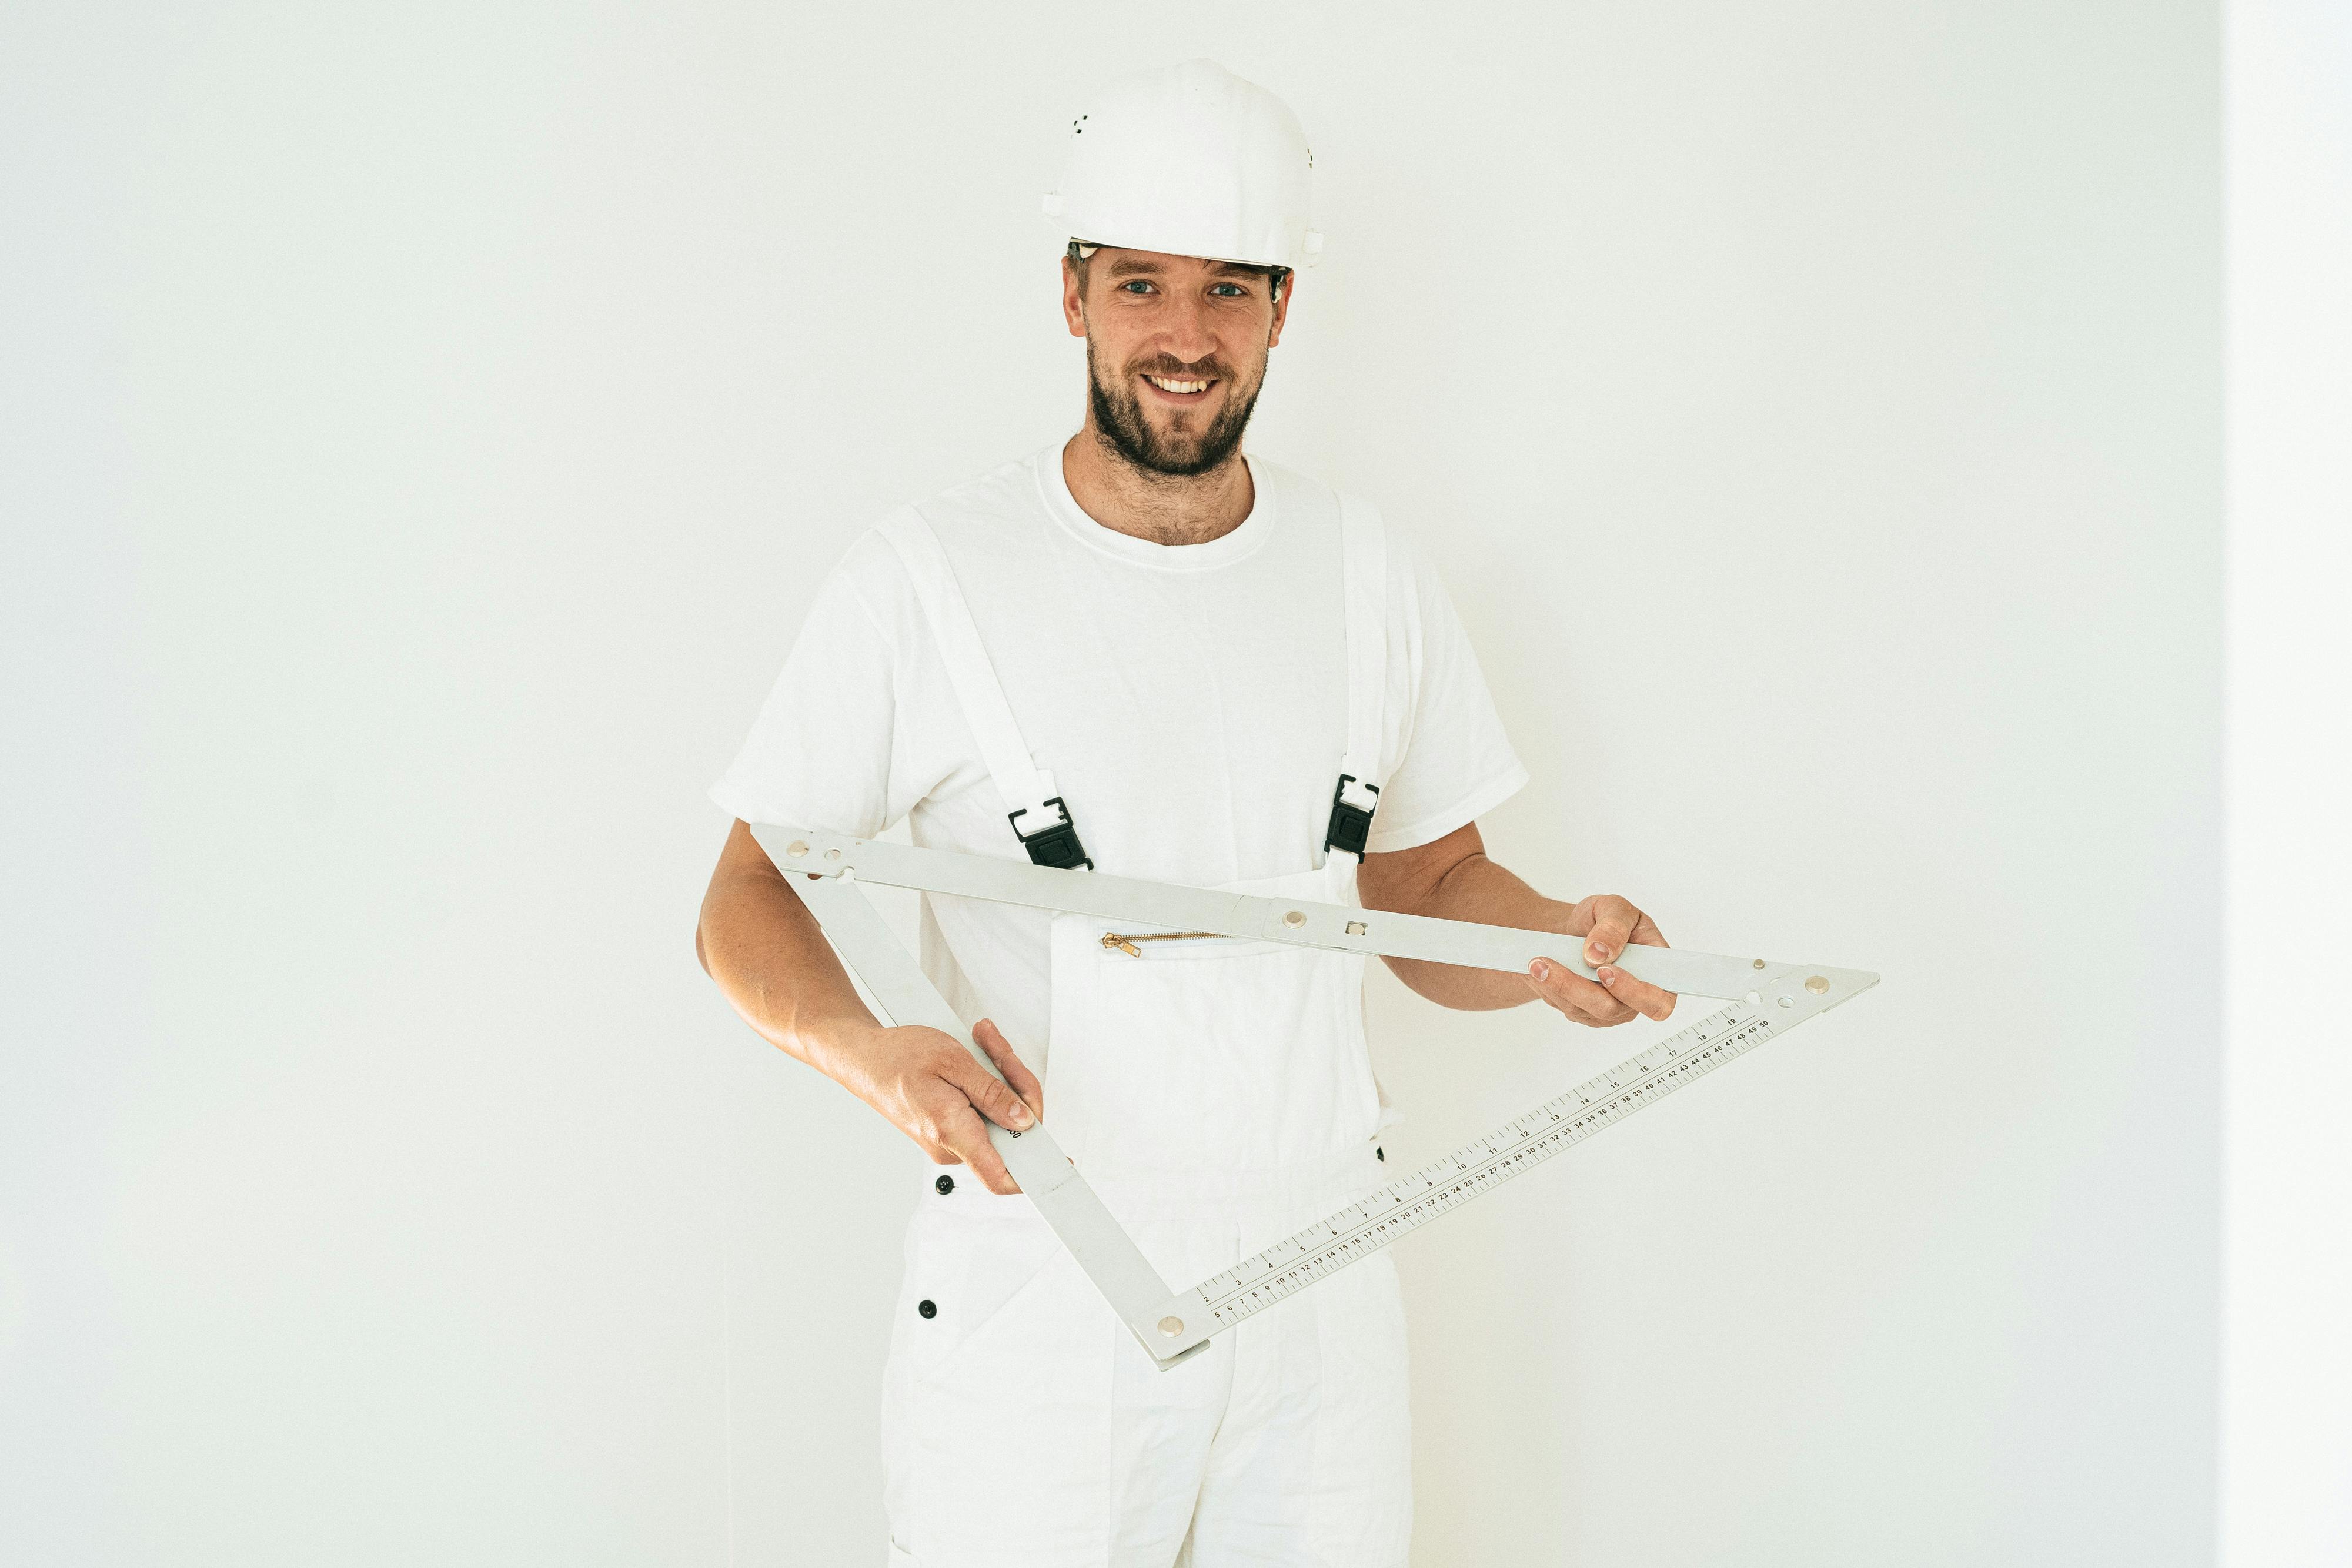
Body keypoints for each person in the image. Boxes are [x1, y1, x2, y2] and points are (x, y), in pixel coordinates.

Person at [695, 57, 1676, 1568]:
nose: (1184, 335)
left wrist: (1556, 939)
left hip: (1323, 1285)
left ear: (1281, 309)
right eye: (1140, 284)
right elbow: (747, 894)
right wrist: (868, 1051)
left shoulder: (1369, 576)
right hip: (1042, 1286)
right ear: (1072, 294)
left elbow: (1432, 888)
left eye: (1227, 289)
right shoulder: (926, 579)